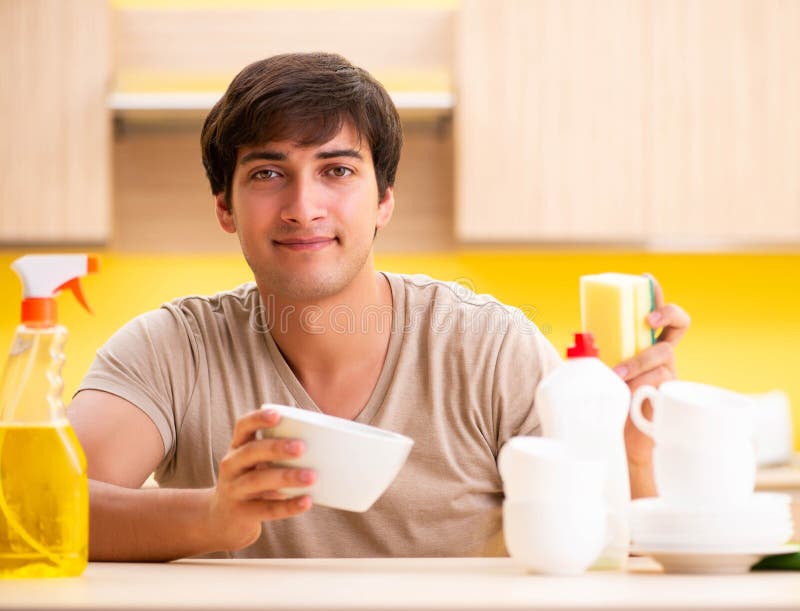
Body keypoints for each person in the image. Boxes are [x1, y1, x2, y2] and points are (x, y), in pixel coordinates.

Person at [67, 52, 690, 561]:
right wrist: (210, 517)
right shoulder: (170, 349)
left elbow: (611, 549)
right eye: (266, 174)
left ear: (383, 201)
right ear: (225, 206)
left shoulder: (490, 347)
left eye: (336, 170)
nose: (303, 207)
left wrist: (629, 451)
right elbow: (39, 508)